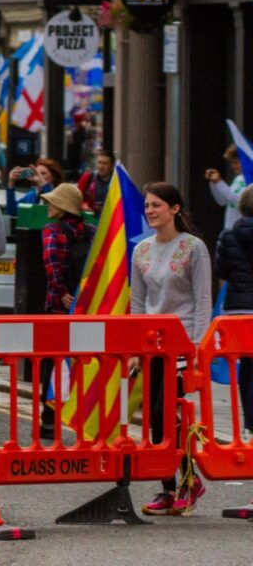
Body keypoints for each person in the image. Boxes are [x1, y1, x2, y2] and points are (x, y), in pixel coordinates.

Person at [130, 182, 212, 516]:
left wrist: (198, 348)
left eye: (157, 206)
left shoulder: (194, 248)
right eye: (148, 205)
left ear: (175, 209)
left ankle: (189, 481)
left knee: (170, 415)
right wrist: (135, 346)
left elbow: (203, 299)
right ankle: (167, 487)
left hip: (182, 343)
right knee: (152, 419)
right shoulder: (141, 250)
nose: (150, 211)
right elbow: (137, 302)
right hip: (151, 344)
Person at [36, 182, 92, 440]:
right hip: (84, 307)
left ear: (61, 207)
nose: (47, 206)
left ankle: (49, 420)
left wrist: (61, 293)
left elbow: (51, 266)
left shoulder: (52, 231)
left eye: (51, 202)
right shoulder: (89, 231)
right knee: (81, 361)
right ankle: (84, 416)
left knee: (52, 361)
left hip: (58, 306)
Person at [214, 187, 253, 439]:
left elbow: (222, 270)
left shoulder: (228, 236)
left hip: (238, 309)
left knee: (247, 368)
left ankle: (249, 425)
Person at [208, 147, 249, 232]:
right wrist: (214, 183)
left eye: (236, 163)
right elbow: (223, 201)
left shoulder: (250, 180)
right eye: (232, 163)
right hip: (230, 229)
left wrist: (219, 182)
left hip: (244, 232)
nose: (233, 166)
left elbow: (241, 202)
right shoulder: (238, 179)